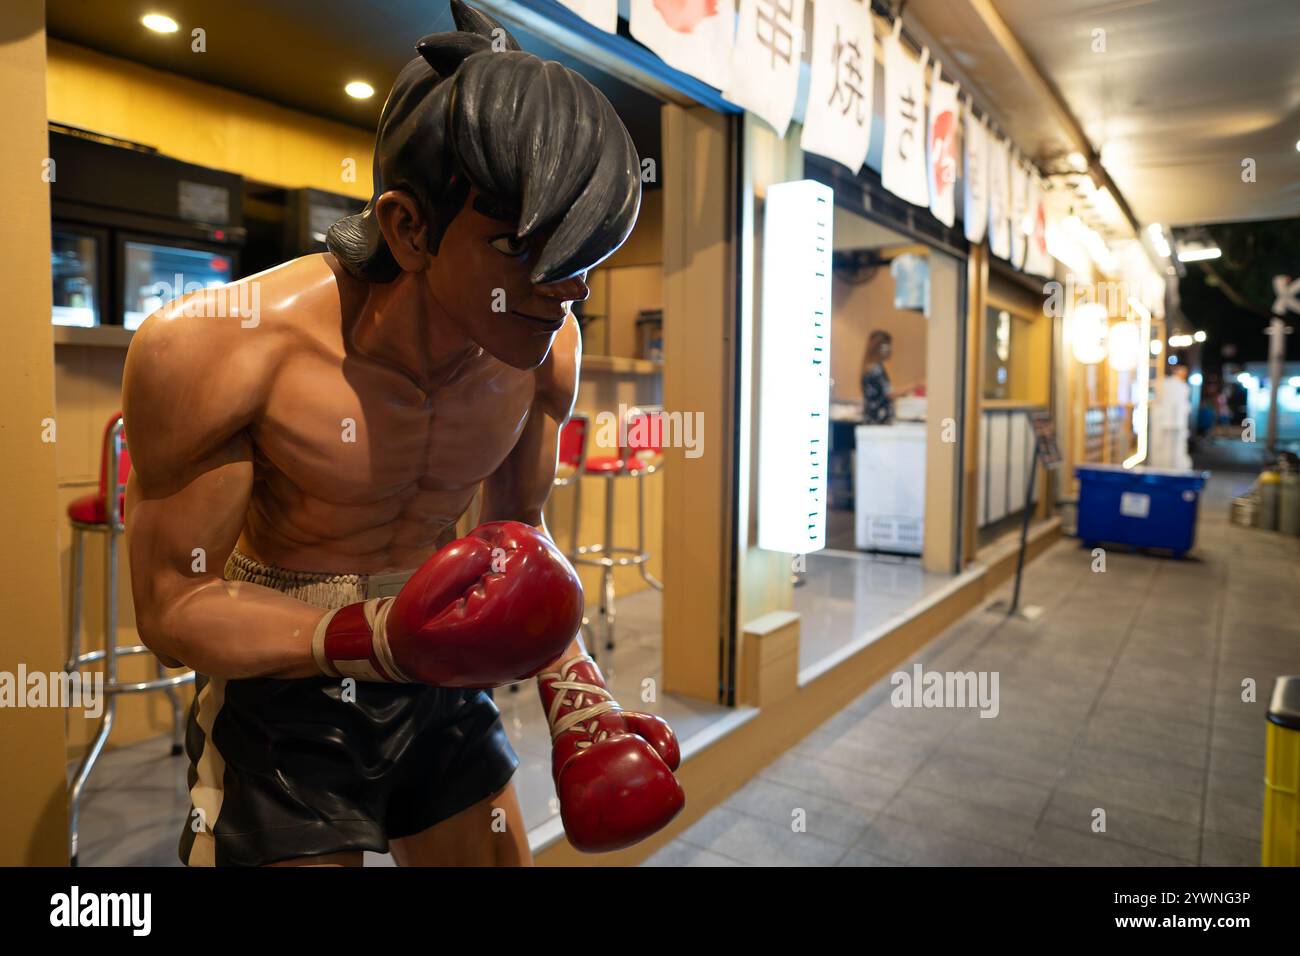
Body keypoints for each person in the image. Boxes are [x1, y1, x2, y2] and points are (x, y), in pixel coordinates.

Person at [122, 1, 683, 867]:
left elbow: (517, 537)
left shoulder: (544, 349)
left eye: (582, 260)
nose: (567, 291)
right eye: (522, 248)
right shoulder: (219, 348)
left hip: (440, 675)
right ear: (409, 227)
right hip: (279, 692)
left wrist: (579, 696)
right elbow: (174, 605)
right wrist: (371, 635)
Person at [859, 329, 919, 424]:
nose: (890, 350)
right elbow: (890, 394)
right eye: (888, 346)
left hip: (873, 418)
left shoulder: (869, 367)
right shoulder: (876, 369)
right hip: (878, 420)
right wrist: (915, 386)